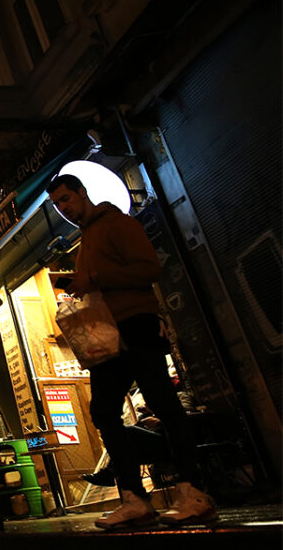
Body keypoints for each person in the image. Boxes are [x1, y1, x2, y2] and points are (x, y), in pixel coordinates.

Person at [47, 174, 216, 528]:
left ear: (82, 192)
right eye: (57, 204)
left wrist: (92, 277)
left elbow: (149, 269)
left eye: (66, 198)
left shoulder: (117, 223)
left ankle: (192, 492)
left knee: (162, 403)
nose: (63, 208)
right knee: (104, 411)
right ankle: (134, 498)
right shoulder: (85, 239)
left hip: (136, 323)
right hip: (108, 333)